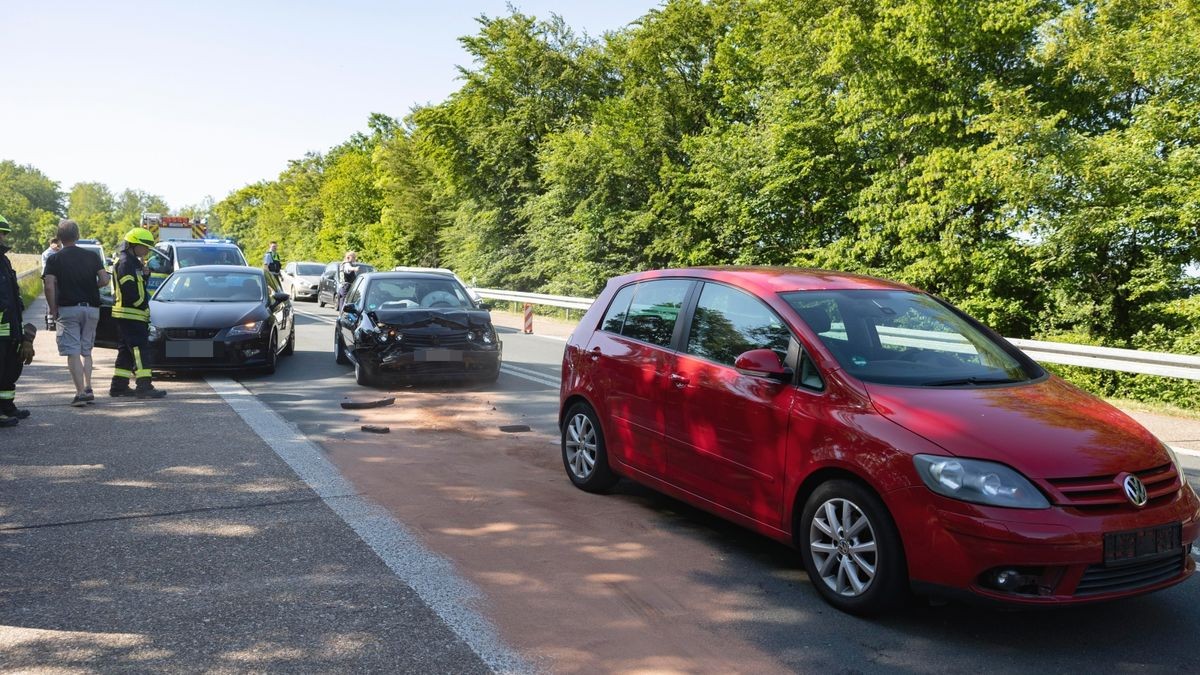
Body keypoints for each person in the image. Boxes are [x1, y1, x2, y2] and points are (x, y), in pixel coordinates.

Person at [43, 219, 110, 406]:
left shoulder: (54, 259)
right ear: (78, 236)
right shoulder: (92, 256)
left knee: (72, 351)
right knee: (86, 351)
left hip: (68, 309)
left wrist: (53, 308)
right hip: (91, 309)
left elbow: (49, 286)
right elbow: (105, 280)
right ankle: (89, 388)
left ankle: (80, 393)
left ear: (60, 238)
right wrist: (90, 287)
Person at [109, 227, 166, 399]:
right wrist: (141, 305)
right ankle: (144, 386)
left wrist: (145, 276)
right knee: (140, 350)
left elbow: (137, 285)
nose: (147, 251)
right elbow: (129, 290)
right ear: (134, 245)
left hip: (130, 314)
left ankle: (119, 387)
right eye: (145, 247)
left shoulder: (133, 262)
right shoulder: (127, 263)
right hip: (131, 314)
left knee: (125, 352)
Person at [0, 214, 37, 427]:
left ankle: (7, 407)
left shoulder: (3, 259)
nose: (3, 238)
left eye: (3, 234)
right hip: (2, 328)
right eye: (1, 233)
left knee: (10, 370)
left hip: (9, 326)